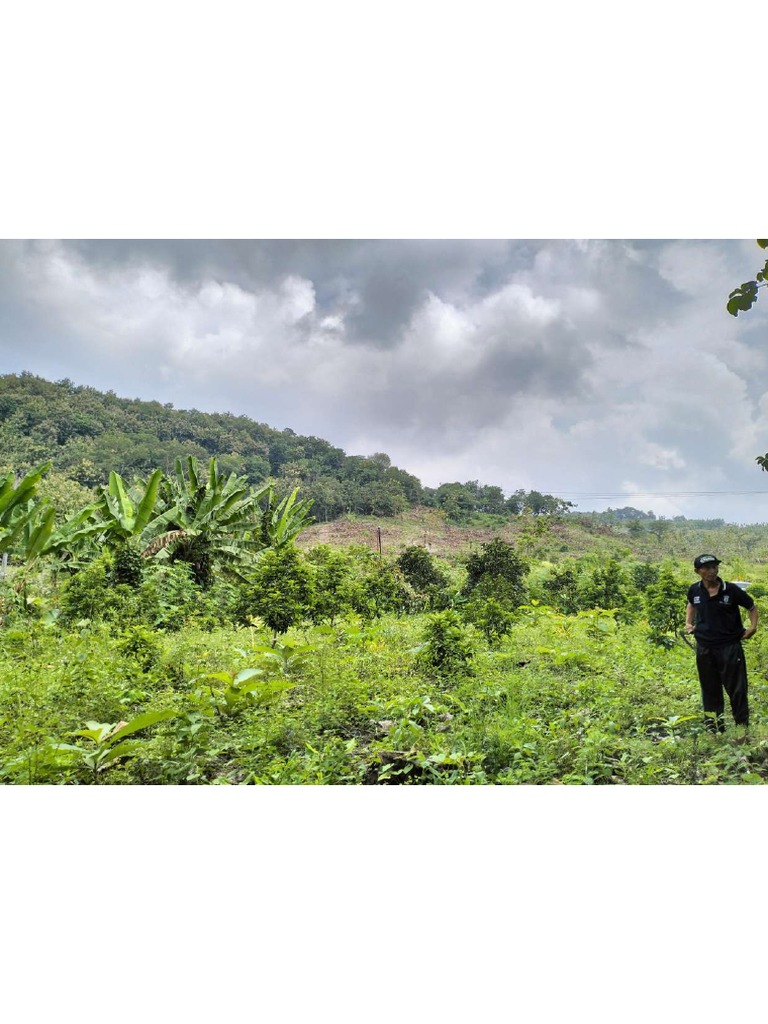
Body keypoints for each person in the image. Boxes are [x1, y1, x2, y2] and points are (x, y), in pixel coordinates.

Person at [685, 554, 758, 733]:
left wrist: (753, 627)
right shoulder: (694, 590)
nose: (712, 571)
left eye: (714, 567)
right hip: (704, 648)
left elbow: (752, 607)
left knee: (737, 689)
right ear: (697, 571)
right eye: (707, 568)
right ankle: (715, 729)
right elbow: (691, 604)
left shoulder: (731, 590)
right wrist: (689, 622)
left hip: (729, 647)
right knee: (709, 689)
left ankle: (742, 729)